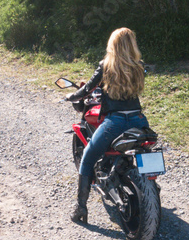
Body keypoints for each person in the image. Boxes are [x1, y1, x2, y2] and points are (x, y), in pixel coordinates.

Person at [64, 27, 150, 224]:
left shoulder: (106, 66)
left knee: (87, 158)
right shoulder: (139, 66)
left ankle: (80, 208)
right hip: (139, 119)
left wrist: (71, 96)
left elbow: (87, 89)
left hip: (115, 122)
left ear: (113, 45)